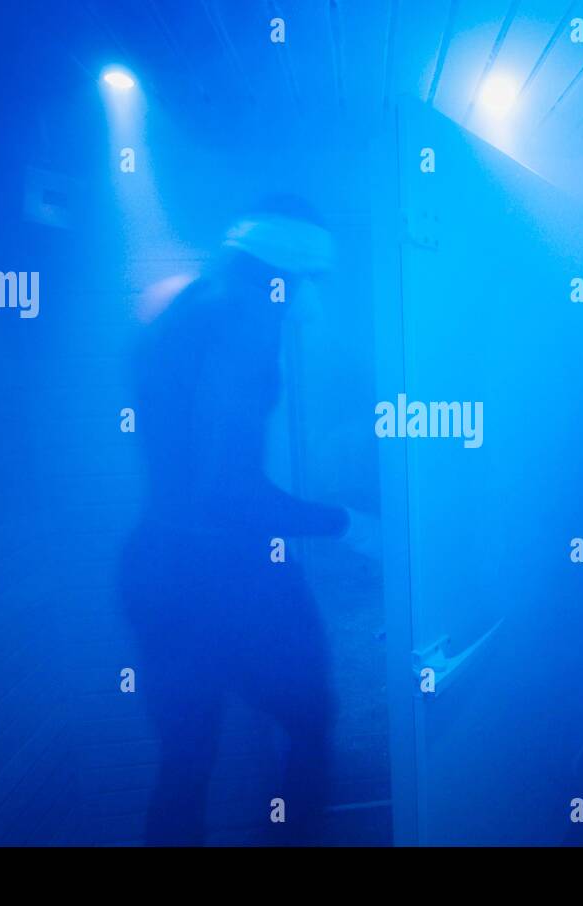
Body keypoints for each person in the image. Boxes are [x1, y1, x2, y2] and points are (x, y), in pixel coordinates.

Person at [120, 200, 352, 845]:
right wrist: (350, 524)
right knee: (310, 717)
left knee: (187, 762)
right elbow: (227, 494)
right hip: (224, 570)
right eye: (315, 280)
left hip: (156, 567)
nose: (312, 300)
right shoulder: (246, 319)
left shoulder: (184, 304)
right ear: (289, 272)